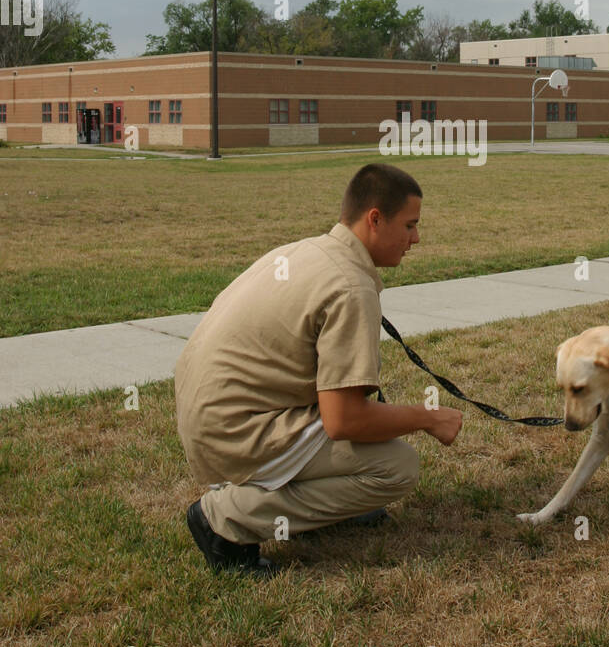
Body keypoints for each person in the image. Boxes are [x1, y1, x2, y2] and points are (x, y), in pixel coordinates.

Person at [176, 162, 463, 576]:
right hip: (232, 433)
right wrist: (426, 418)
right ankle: (226, 518)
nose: (416, 238)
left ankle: (301, 502)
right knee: (397, 468)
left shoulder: (307, 251)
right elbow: (343, 420)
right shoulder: (350, 286)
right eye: (410, 225)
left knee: (367, 433)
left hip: (208, 416)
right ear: (375, 219)